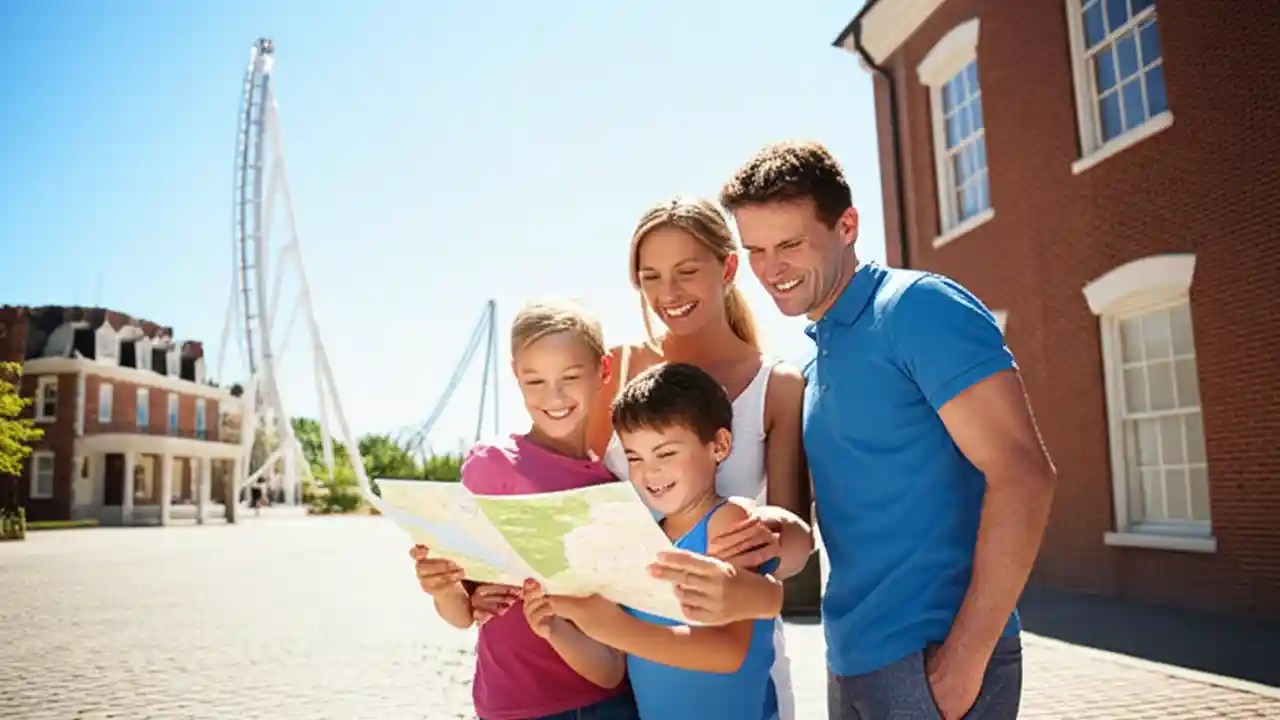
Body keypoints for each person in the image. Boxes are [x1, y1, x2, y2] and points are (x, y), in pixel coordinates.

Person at [666, 139, 1053, 720]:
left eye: (791, 244)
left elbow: (1024, 475)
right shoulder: (819, 355)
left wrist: (964, 660)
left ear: (846, 225)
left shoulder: (917, 308)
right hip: (853, 659)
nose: (772, 270)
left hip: (932, 660)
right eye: (757, 250)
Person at [587, 195, 811, 719]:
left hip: (734, 667)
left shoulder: (776, 385)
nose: (669, 293)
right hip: (629, 662)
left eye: (687, 271)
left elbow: (798, 545)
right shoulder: (618, 371)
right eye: (651, 277)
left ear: (728, 267)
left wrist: (762, 543)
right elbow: (580, 501)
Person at [409, 298, 641, 720]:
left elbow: (616, 648)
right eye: (535, 381)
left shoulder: (611, 488)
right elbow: (465, 613)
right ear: (516, 375)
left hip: (604, 704)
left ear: (603, 371)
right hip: (511, 704)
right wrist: (442, 587)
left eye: (570, 376)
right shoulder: (491, 466)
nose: (554, 396)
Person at [528, 361, 782, 720]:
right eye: (635, 457)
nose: (650, 471)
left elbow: (728, 652)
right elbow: (612, 668)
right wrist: (558, 628)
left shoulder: (729, 522)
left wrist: (614, 626)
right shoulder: (640, 538)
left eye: (665, 453)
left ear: (720, 445)